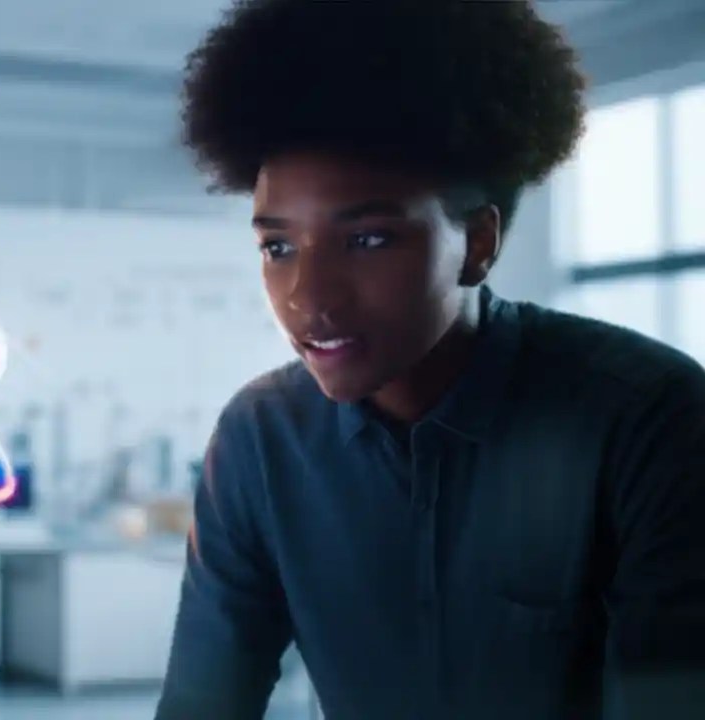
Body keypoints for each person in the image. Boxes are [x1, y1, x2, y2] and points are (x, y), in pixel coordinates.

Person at [155, 2, 705, 720]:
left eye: (369, 240)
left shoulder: (647, 419)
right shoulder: (261, 439)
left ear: (477, 244)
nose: (307, 298)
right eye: (278, 248)